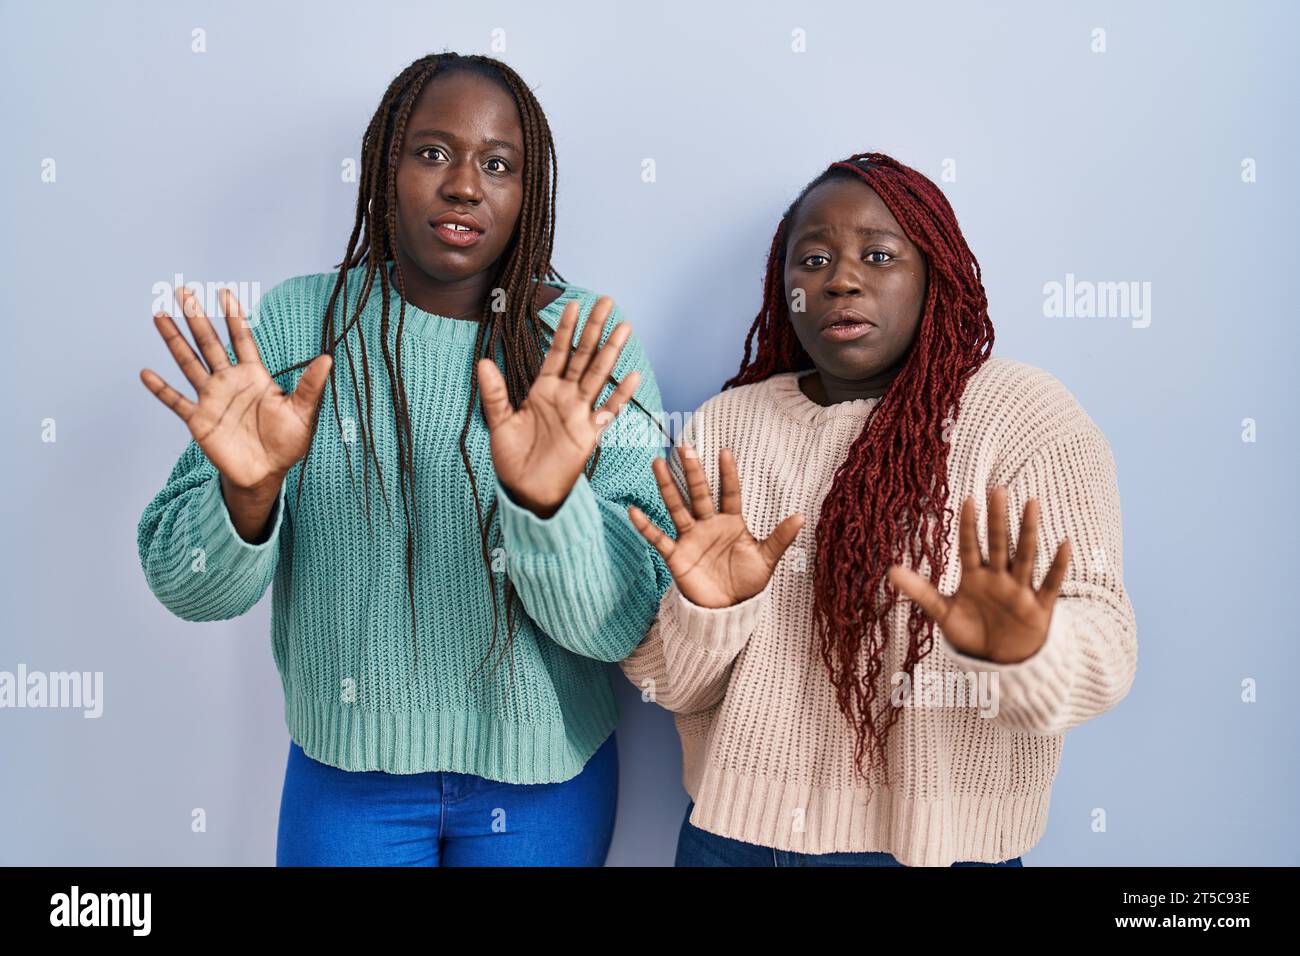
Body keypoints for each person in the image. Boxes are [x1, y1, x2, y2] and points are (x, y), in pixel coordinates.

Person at [136, 52, 674, 866]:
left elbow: (630, 624)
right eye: (432, 153)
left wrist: (549, 506)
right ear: (384, 169)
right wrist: (248, 492)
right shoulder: (296, 325)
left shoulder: (583, 342)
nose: (464, 185)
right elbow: (187, 589)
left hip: (543, 785)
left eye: (499, 164)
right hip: (346, 777)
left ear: (531, 193)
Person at [619, 152, 1138, 867]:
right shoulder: (724, 428)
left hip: (941, 850)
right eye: (814, 259)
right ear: (785, 289)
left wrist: (1028, 649)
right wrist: (709, 613)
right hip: (734, 842)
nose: (841, 277)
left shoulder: (1022, 418)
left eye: (878, 254)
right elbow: (664, 682)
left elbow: (1107, 650)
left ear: (935, 276)